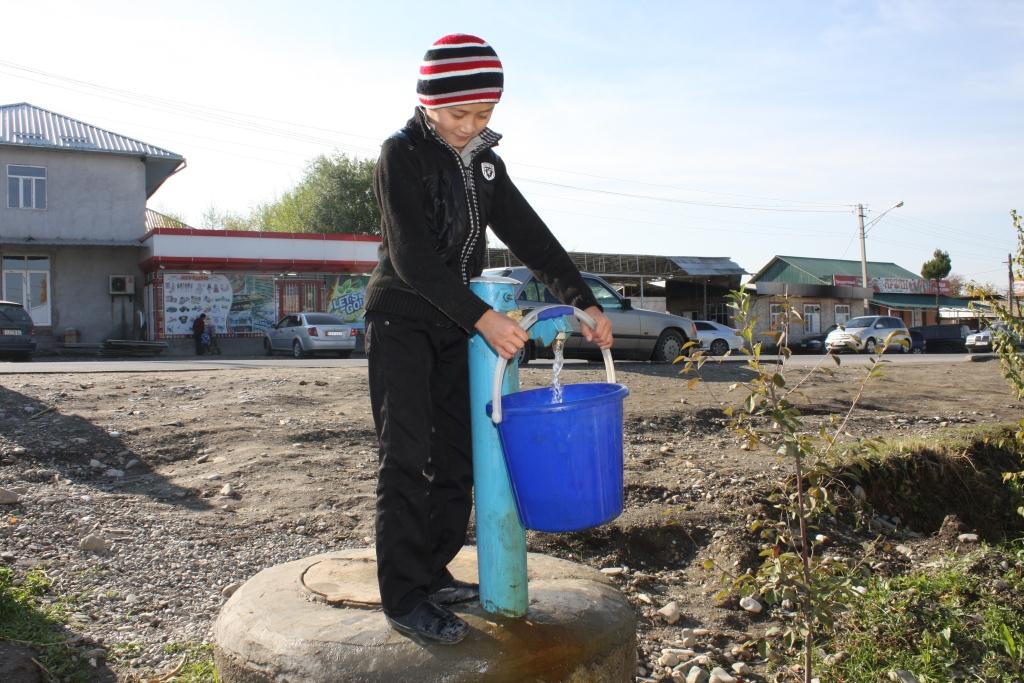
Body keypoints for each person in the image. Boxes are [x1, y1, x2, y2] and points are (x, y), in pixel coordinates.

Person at [364, 33, 613, 646]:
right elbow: (413, 259)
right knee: (407, 459)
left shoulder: (485, 165)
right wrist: (482, 317)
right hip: (401, 318)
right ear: (427, 104)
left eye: (483, 115)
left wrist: (584, 300)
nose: (469, 126)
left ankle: (432, 570)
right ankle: (403, 596)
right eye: (458, 114)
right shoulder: (401, 155)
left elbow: (533, 238)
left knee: (457, 460)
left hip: (452, 324)